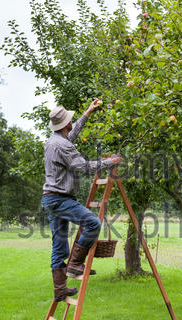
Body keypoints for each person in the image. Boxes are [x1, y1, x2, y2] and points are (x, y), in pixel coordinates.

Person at [42, 100, 122, 302]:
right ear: (66, 124)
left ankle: (59, 290)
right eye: (70, 121)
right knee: (93, 223)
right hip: (61, 199)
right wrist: (109, 162)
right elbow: (84, 167)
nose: (71, 124)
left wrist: (88, 111)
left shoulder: (55, 139)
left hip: (51, 199)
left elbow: (72, 133)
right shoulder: (63, 145)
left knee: (59, 248)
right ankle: (76, 264)